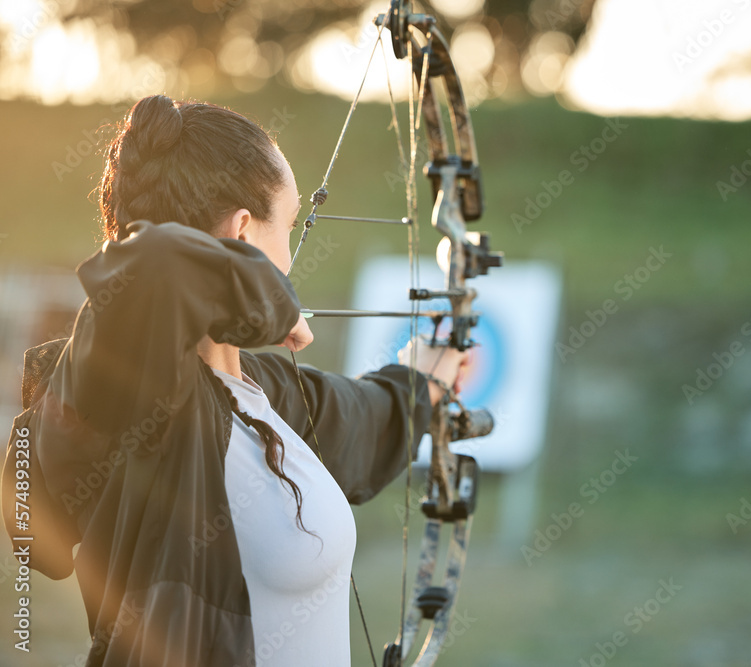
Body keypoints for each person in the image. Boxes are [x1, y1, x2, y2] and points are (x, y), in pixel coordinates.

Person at [1, 94, 466, 666]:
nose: (290, 259)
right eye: (289, 227)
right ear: (243, 233)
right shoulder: (123, 384)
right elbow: (153, 264)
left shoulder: (262, 394)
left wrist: (425, 376)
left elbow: (362, 417)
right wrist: (269, 300)